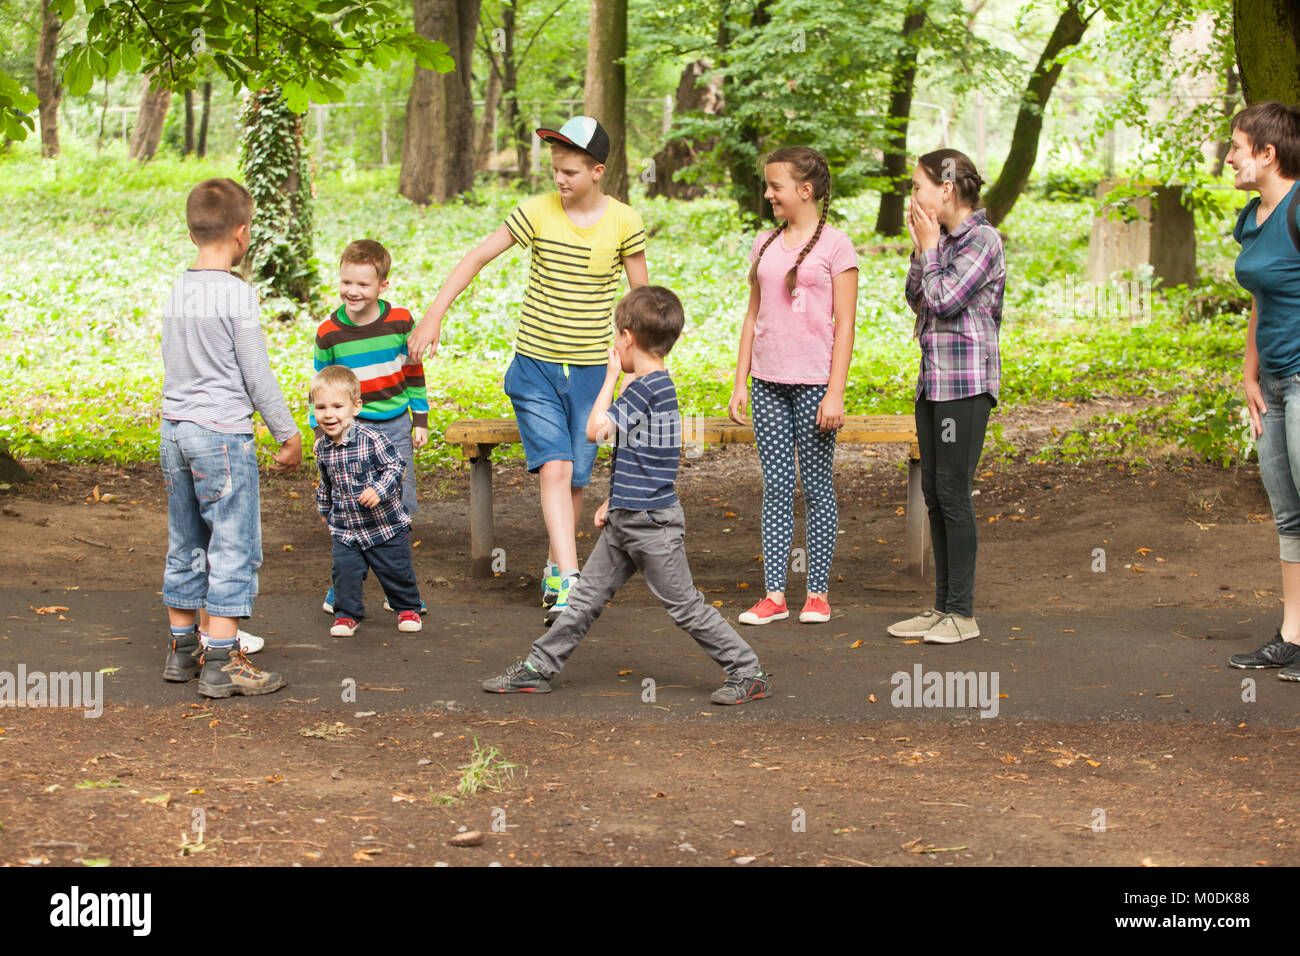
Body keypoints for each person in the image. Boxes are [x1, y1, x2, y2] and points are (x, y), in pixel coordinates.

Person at [406, 116, 648, 625]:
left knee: (576, 477)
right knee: (557, 468)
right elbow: (477, 257)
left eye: (570, 172)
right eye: (555, 170)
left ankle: (556, 570)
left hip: (590, 372)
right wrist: (433, 315)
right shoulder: (536, 212)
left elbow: (638, 300)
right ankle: (573, 581)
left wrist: (634, 366)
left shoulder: (624, 222)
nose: (559, 180)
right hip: (535, 367)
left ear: (598, 171)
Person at [482, 286, 771, 704]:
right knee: (583, 599)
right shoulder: (662, 388)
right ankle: (538, 668)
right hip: (627, 518)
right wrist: (613, 500)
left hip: (652, 525)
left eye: (617, 335)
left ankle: (747, 671)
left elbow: (593, 430)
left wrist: (610, 377)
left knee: (685, 606)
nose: (614, 344)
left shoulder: (643, 388)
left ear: (628, 338)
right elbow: (654, 458)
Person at [160, 177, 300, 698]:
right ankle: (223, 663)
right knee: (233, 544)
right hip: (221, 435)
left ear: (193, 231)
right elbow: (256, 372)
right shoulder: (237, 295)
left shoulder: (178, 289)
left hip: (174, 431)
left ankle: (182, 649)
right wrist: (286, 431)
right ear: (241, 234)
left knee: (186, 539)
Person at [727, 146, 858, 626]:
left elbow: (845, 325)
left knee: (817, 486)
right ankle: (775, 595)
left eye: (775, 186)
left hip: (814, 387)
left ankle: (818, 593)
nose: (768, 194)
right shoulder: (764, 242)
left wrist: (835, 391)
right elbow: (753, 314)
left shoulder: (837, 247)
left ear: (806, 190)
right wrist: (740, 381)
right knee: (777, 486)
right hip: (767, 385)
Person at [888, 148, 1005, 645]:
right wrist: (923, 248)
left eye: (917, 186)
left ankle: (963, 612)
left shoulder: (982, 240)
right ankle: (942, 608)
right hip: (933, 383)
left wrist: (931, 244)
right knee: (934, 493)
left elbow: (944, 300)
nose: (911, 196)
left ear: (947, 189)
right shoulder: (937, 242)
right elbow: (916, 298)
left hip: (965, 387)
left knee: (953, 494)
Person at [311, 239, 428, 618]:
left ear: (383, 286)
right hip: (349, 429)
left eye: (363, 284)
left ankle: (400, 591)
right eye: (346, 282)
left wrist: (421, 418)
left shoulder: (400, 321)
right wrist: (319, 430)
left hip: (394, 425)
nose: (353, 291)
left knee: (399, 504)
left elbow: (413, 372)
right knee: (348, 508)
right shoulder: (329, 331)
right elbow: (321, 383)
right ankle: (343, 587)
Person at [1226, 100, 1300, 682]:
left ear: (1267, 154)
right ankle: (1292, 636)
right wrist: (1250, 372)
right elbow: (1260, 296)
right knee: (1289, 515)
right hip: (1273, 383)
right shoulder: (1252, 217)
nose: (1228, 159)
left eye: (1236, 149)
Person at [312, 365, 425, 638]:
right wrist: (325, 509)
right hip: (347, 529)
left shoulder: (372, 439)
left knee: (395, 570)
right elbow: (327, 483)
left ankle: (407, 607)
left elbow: (396, 466)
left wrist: (378, 489)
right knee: (345, 572)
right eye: (321, 407)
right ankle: (347, 615)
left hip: (383, 526)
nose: (329, 414)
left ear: (355, 407)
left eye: (338, 406)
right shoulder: (323, 448)